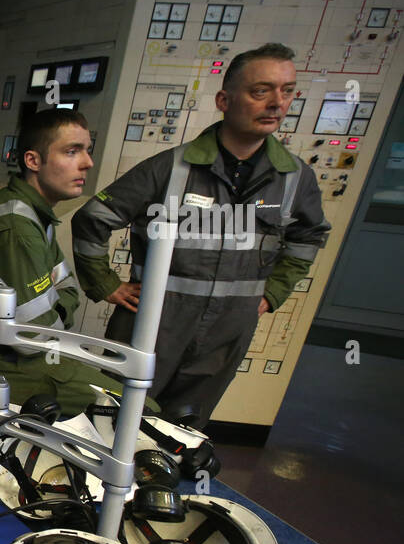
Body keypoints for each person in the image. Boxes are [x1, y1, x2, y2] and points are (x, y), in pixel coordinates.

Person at [70, 43, 329, 429]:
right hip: (154, 321)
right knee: (114, 420)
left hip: (229, 330)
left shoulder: (295, 178)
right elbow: (94, 218)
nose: (277, 103)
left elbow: (308, 237)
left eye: (287, 91)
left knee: (183, 431)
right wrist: (106, 284)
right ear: (225, 99)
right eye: (261, 91)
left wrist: (274, 291)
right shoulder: (170, 168)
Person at [0, 108, 133, 414]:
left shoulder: (32, 213)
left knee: (125, 402)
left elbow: (68, 289)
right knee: (136, 410)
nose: (88, 163)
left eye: (87, 150)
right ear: (33, 161)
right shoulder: (16, 226)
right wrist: (56, 313)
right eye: (72, 151)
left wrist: (54, 311)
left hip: (25, 350)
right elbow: (31, 335)